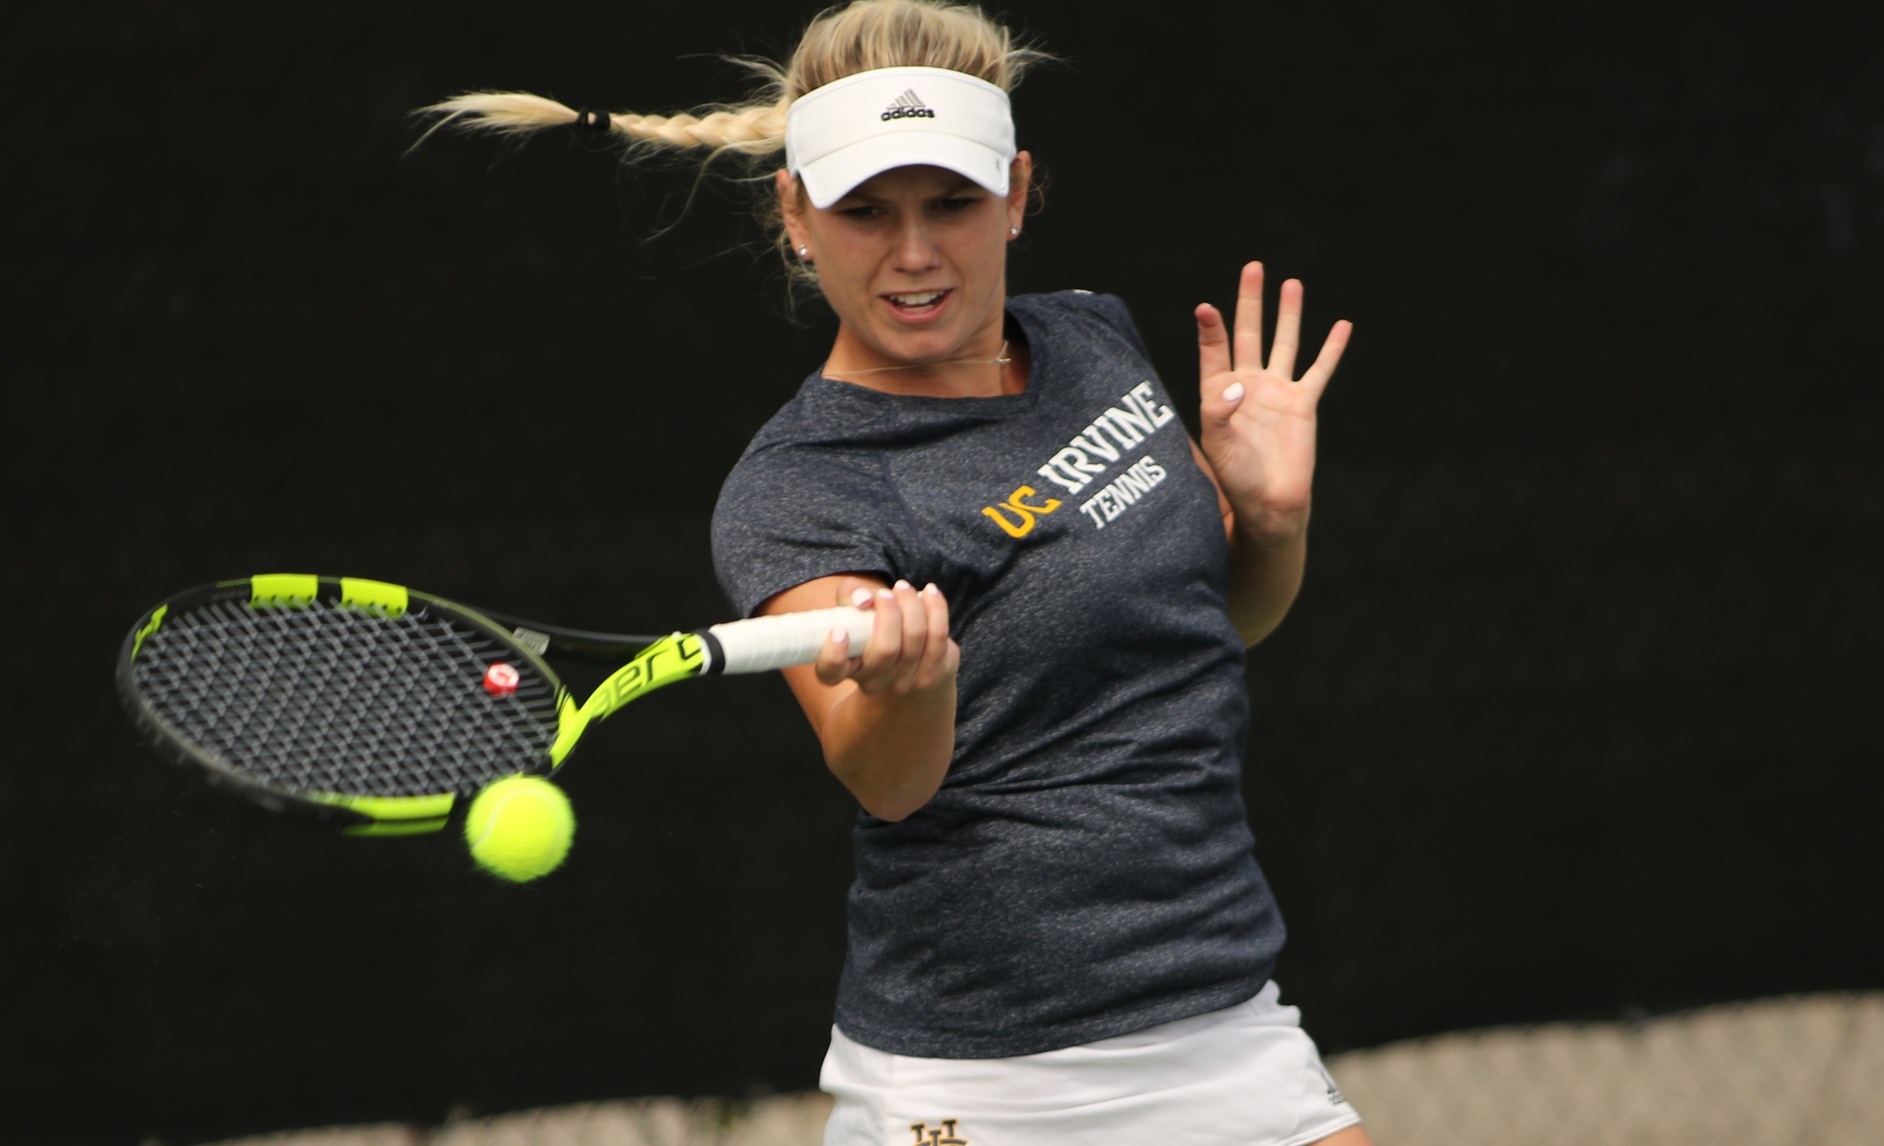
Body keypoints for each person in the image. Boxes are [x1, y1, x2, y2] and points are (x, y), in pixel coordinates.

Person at [428, 2, 1364, 1142]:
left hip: (1227, 1024)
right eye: (865, 211)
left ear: (1017, 193)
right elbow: (886, 782)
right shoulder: (800, 490)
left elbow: (1216, 627)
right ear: (796, 215)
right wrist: (911, 694)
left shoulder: (1093, 342)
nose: (914, 254)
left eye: (953, 204)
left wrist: (1271, 522)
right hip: (981, 1080)